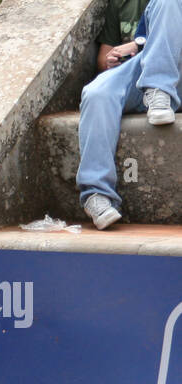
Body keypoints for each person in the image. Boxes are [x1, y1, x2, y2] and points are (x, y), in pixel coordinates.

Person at [78, 0, 181, 229]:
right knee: (96, 93)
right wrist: (116, 57)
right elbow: (104, 58)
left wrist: (137, 43)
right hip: (142, 68)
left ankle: (159, 87)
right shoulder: (123, 3)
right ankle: (96, 193)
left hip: (175, 68)